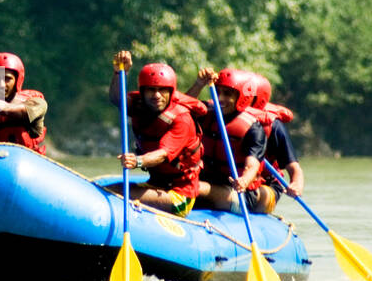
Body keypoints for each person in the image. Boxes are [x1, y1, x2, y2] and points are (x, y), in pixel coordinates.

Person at [104, 51, 205, 216]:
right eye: (151, 90)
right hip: (154, 184)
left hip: (179, 196)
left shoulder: (182, 119)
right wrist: (120, 72)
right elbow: (118, 99)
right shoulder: (140, 105)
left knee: (117, 193)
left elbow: (162, 155)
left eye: (162, 90)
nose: (157, 95)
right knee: (106, 190)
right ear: (142, 92)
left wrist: (137, 161)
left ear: (171, 92)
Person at [187, 67, 277, 214]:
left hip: (239, 194)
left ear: (240, 97)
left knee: (195, 187)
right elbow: (183, 108)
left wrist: (244, 181)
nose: (220, 98)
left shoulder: (253, 128)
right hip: (206, 182)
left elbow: (252, 165)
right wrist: (199, 84)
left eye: (227, 94)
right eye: (218, 92)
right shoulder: (206, 113)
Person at [249, 74, 305, 199]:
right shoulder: (221, 118)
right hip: (229, 182)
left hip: (265, 185)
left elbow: (294, 168)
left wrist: (296, 184)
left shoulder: (273, 126)